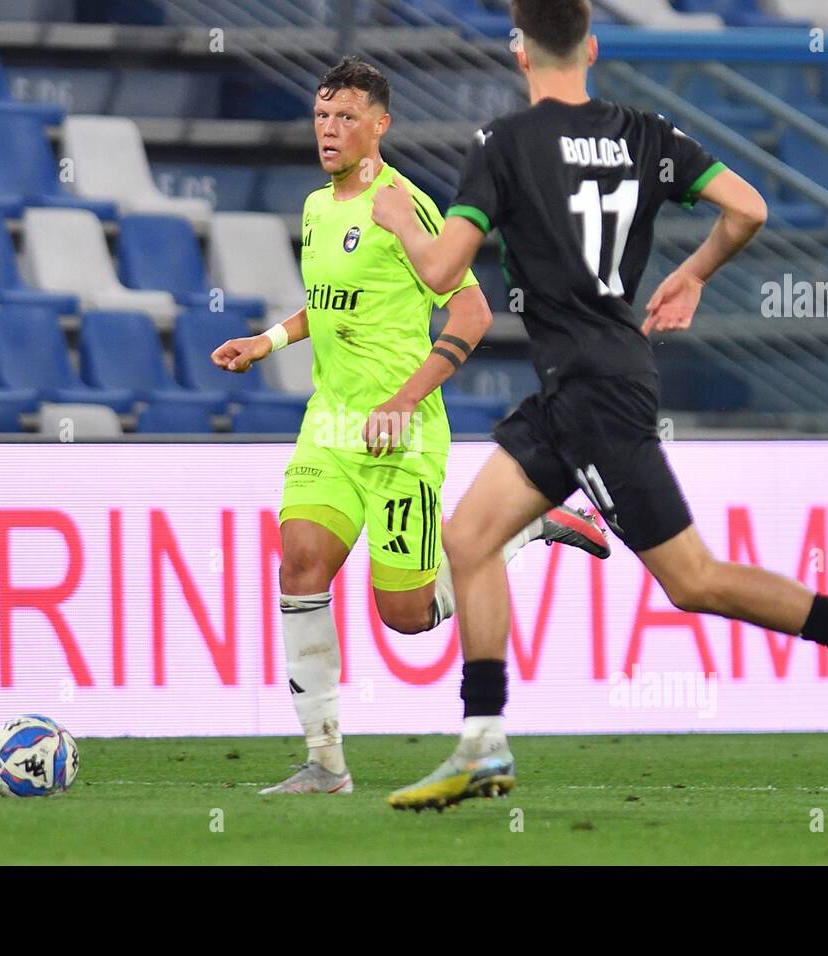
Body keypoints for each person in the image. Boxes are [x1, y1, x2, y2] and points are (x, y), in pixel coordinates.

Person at [369, 0, 828, 811]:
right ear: (592, 46)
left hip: (594, 394)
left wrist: (398, 217)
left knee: (694, 580)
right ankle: (483, 742)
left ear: (519, 53)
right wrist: (697, 272)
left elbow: (438, 274)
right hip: (586, 385)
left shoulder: (503, 146)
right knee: (468, 538)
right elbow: (749, 207)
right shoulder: (646, 132)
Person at [211, 55, 610, 796]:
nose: (329, 132)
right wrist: (267, 342)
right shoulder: (314, 206)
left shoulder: (408, 206)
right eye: (322, 118)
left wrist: (402, 400)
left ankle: (532, 526)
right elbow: (330, 305)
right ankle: (324, 762)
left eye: (346, 118)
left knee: (407, 614)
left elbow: (472, 312)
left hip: (401, 434)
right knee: (299, 564)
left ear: (380, 125)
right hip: (330, 426)